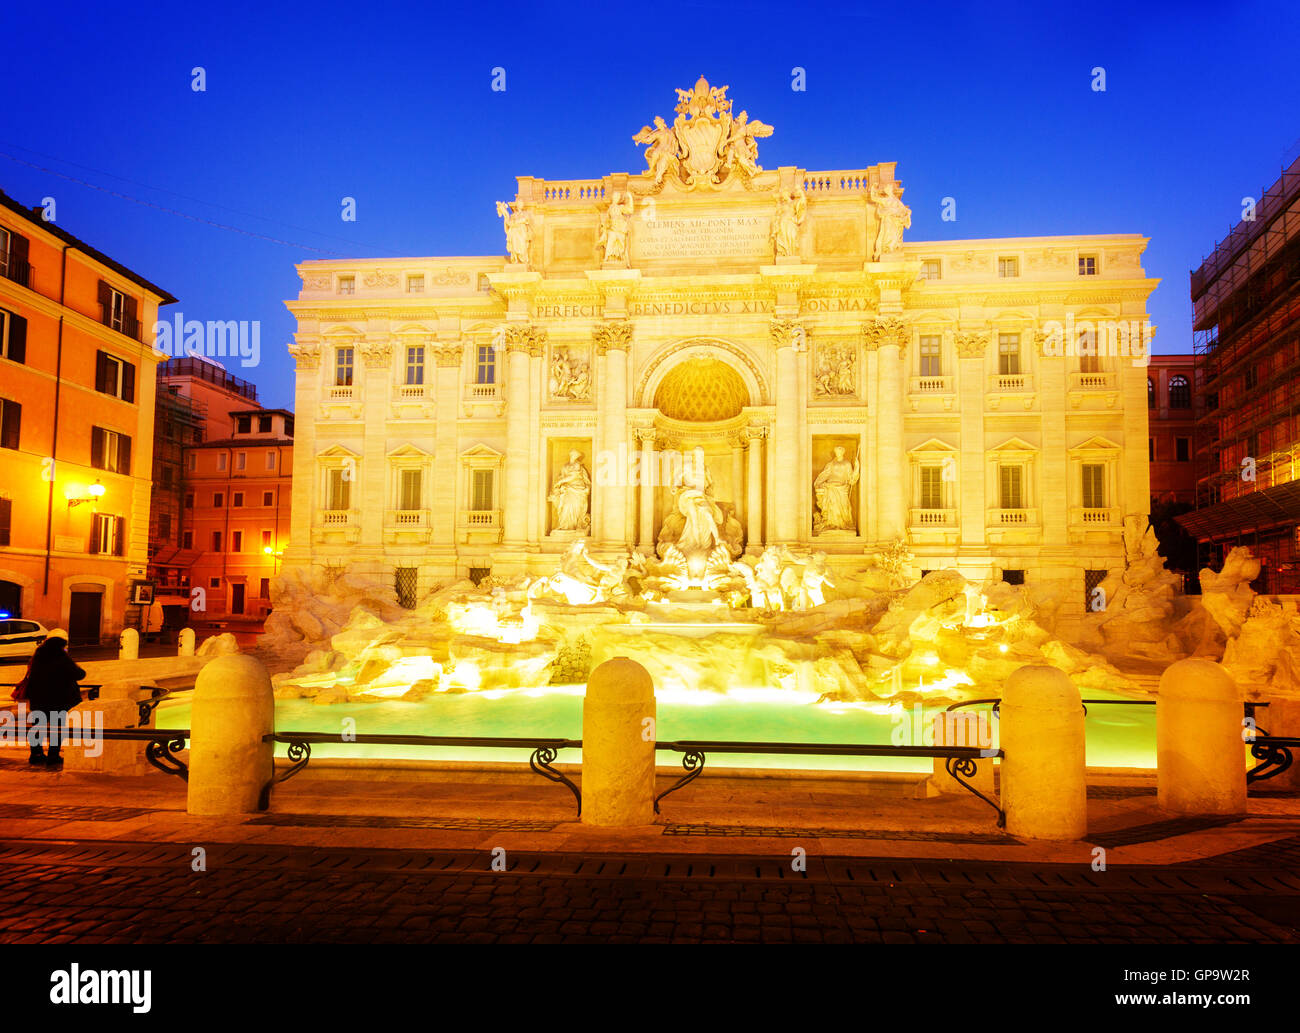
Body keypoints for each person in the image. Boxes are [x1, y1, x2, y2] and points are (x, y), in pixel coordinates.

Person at [23, 633, 85, 768]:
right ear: (60, 648)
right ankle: (53, 755)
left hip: (38, 700)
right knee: (57, 729)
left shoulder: (37, 658)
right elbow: (80, 674)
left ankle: (36, 754)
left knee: (37, 728)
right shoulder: (62, 659)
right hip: (59, 701)